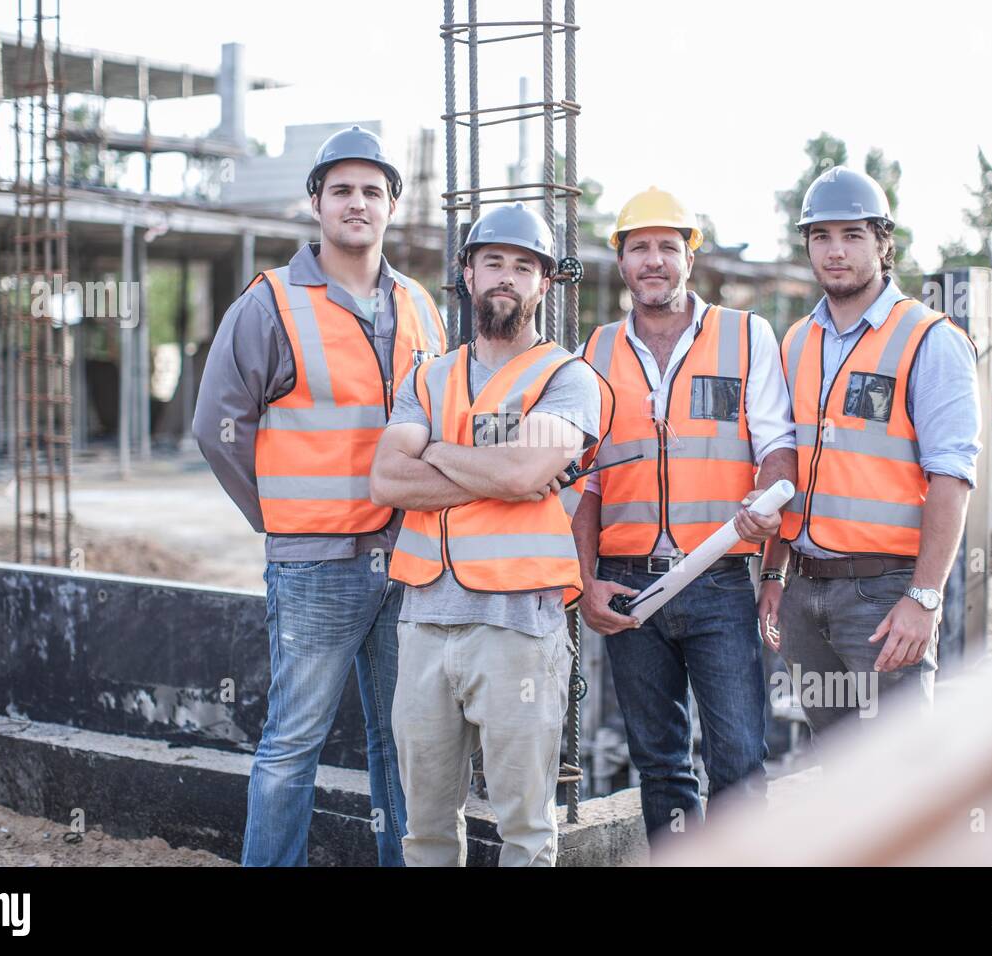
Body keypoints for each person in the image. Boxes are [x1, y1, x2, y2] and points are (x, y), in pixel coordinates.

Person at [193, 125, 445, 866]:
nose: (357, 203)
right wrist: (278, 518)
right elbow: (219, 429)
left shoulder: (422, 306)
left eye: (373, 191)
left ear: (392, 206)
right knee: (292, 745)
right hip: (315, 568)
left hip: (407, 562)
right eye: (342, 190)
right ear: (315, 203)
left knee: (404, 742)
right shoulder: (271, 303)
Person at [370, 203, 607, 866]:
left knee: (524, 832)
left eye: (523, 267)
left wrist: (438, 452)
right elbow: (387, 481)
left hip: (518, 628)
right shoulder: (428, 377)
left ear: (546, 284)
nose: (507, 277)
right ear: (467, 274)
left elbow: (530, 469)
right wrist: (497, 474)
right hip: (423, 624)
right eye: (493, 262)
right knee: (426, 830)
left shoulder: (567, 377)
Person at [572, 186, 797, 847]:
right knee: (661, 767)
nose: (653, 261)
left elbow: (778, 449)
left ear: (689, 258)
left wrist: (768, 500)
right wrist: (585, 583)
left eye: (667, 247)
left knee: (738, 761)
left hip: (720, 580)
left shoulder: (746, 335)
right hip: (627, 585)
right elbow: (585, 488)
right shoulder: (596, 351)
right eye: (639, 247)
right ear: (621, 260)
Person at [764, 165, 981, 736]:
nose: (835, 251)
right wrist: (773, 578)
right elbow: (789, 465)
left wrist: (924, 597)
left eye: (852, 235)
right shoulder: (796, 342)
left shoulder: (930, 340)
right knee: (833, 765)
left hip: (885, 595)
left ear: (884, 244)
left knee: (903, 771)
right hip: (805, 591)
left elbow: (952, 479)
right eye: (821, 237)